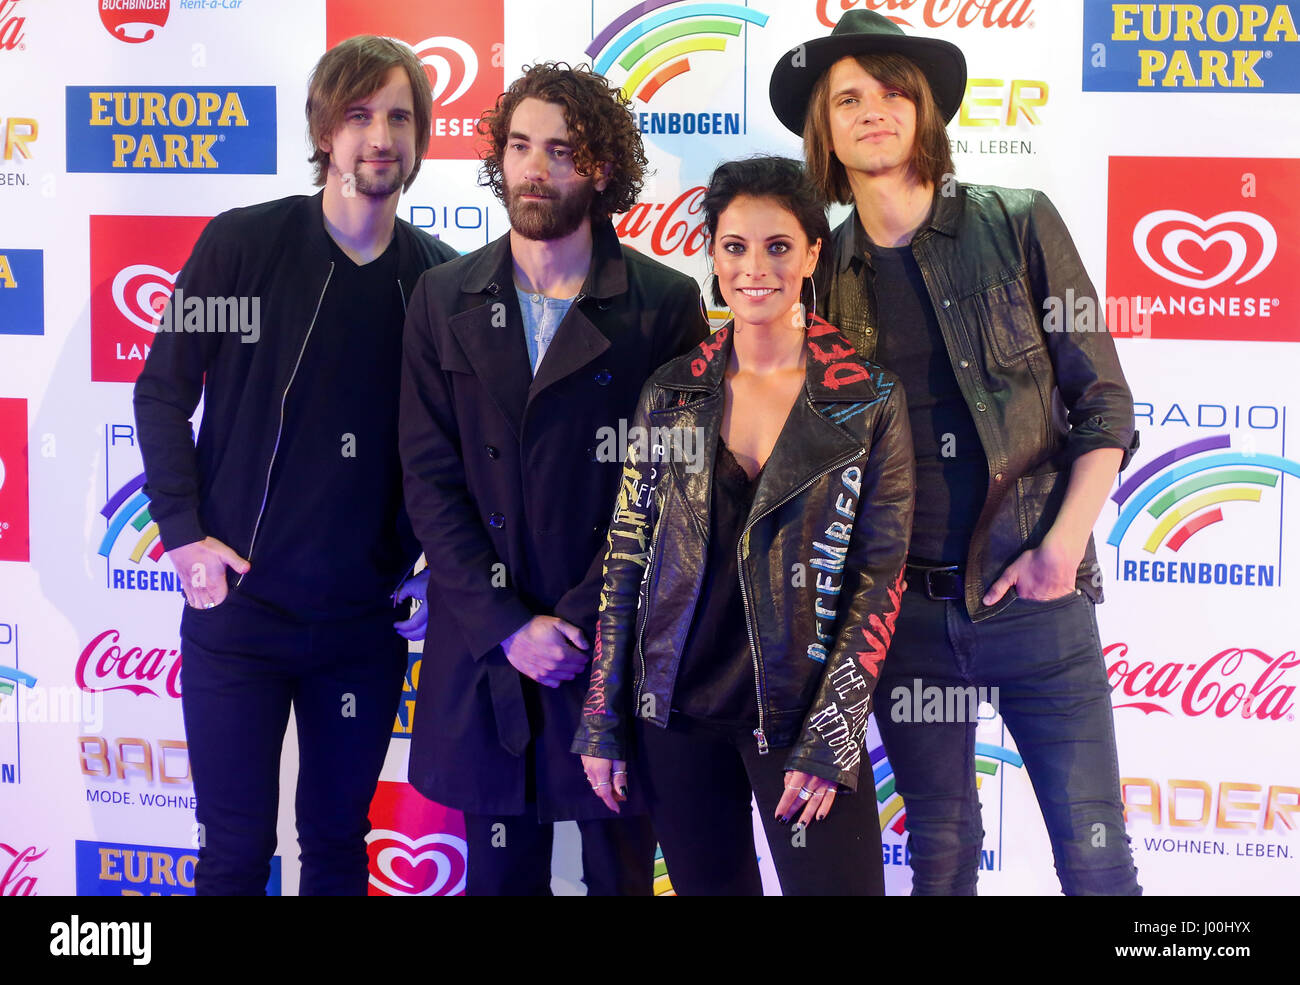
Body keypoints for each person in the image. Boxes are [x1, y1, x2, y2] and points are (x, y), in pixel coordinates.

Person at [770, 10, 1142, 895]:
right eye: (847, 97)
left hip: (1037, 605)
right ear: (824, 128)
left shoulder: (1018, 224)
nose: (873, 110)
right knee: (938, 855)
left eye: (893, 91)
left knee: (1096, 860)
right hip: (907, 620)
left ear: (925, 110)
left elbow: (1105, 399)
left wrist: (1060, 550)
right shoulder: (818, 276)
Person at [132, 35, 458, 895]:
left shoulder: (439, 284)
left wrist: (439, 565)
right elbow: (161, 390)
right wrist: (183, 535)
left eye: (397, 116)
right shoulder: (246, 244)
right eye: (358, 115)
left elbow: (459, 451)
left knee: (338, 849)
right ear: (324, 131)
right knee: (235, 853)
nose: (379, 136)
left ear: (423, 136)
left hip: (362, 629)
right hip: (238, 619)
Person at [398, 62, 708, 896]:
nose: (535, 168)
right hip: (486, 649)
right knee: (500, 881)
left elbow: (672, 489)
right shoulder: (440, 296)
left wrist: (574, 625)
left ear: (600, 167)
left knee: (619, 877)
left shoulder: (663, 302)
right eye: (520, 146)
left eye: (562, 150)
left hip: (611, 648)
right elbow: (428, 477)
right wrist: (508, 625)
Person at [573, 156, 915, 896]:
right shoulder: (674, 391)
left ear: (813, 253)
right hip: (677, 715)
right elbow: (627, 557)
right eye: (735, 247)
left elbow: (878, 578)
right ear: (714, 255)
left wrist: (831, 733)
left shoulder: (868, 399)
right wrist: (602, 716)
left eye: (778, 246)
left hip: (800, 710)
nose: (755, 267)